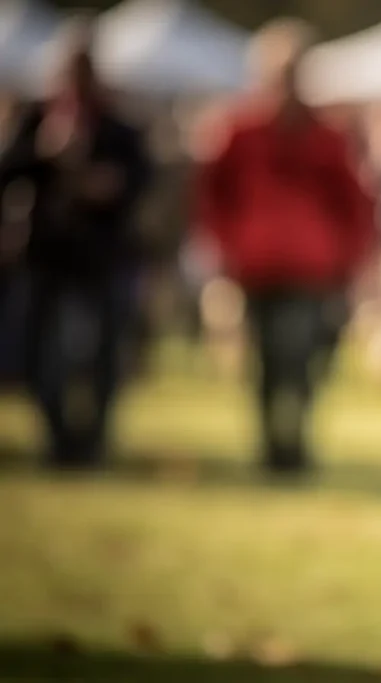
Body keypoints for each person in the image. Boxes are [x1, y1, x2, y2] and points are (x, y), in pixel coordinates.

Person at [195, 19, 377, 473]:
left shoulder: (327, 136)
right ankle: (272, 445)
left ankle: (293, 441)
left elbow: (355, 202)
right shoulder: (238, 130)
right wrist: (224, 247)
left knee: (302, 357)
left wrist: (351, 258)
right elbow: (210, 195)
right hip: (255, 266)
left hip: (313, 270)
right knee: (264, 360)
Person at [0, 23, 151, 467]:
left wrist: (110, 186)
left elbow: (140, 182)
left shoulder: (119, 128)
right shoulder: (36, 120)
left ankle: (93, 441)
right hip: (47, 256)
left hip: (102, 257)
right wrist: (44, 152)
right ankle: (59, 438)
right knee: (40, 354)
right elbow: (7, 172)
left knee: (105, 356)